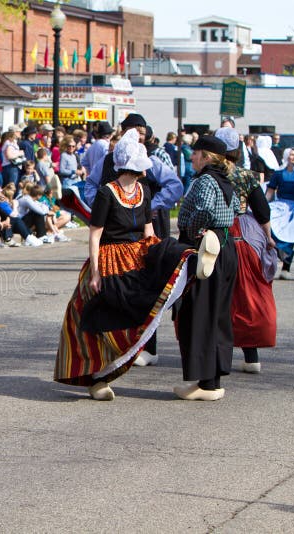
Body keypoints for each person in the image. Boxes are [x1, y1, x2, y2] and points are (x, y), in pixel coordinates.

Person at [55, 129, 203, 400]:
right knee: (93, 318)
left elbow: (148, 231)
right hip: (109, 259)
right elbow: (95, 234)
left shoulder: (144, 190)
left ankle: (191, 258)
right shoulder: (107, 193)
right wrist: (96, 273)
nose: (146, 169)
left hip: (135, 256)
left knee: (140, 310)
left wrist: (158, 259)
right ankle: (97, 378)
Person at [174, 135, 239, 401]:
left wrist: (191, 231)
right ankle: (212, 380)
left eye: (196, 153)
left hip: (207, 248)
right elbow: (238, 209)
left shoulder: (205, 181)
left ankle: (206, 382)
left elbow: (202, 210)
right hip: (225, 247)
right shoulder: (226, 180)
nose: (192, 157)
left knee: (200, 312)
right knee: (218, 313)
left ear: (206, 156)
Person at [214, 127, 277, 374]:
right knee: (247, 294)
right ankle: (251, 356)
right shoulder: (247, 176)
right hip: (244, 235)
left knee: (218, 294)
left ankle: (219, 354)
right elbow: (262, 210)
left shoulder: (209, 175)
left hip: (217, 233)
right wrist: (268, 237)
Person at [266, 147, 294, 280]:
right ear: (286, 156)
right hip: (280, 206)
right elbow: (270, 192)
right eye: (291, 155)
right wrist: (262, 205)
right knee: (273, 227)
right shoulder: (278, 174)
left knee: (291, 232)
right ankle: (279, 251)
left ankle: (286, 267)